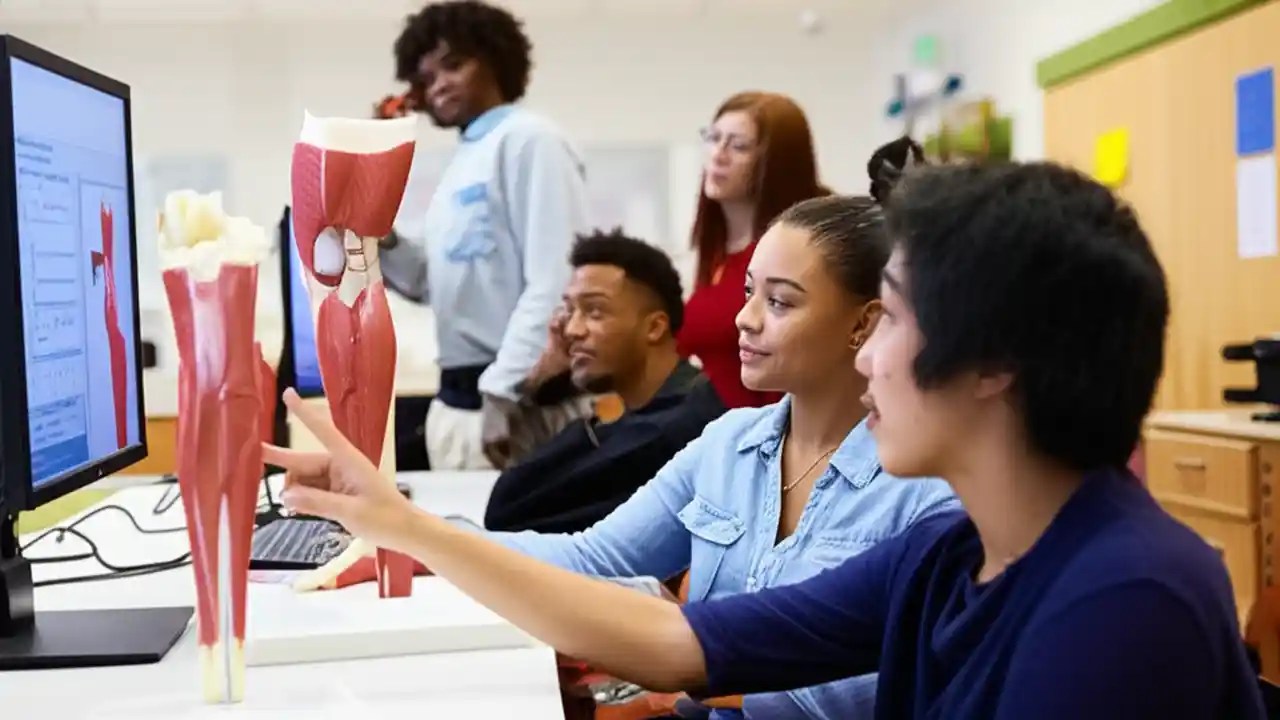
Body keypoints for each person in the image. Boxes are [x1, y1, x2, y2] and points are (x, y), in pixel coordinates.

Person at [269, 161, 1268, 718]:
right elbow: (676, 642)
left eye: (896, 318)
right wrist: (404, 526)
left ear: (992, 364)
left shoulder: (1122, 602)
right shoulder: (950, 551)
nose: (873, 354)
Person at [270, 191, 959, 719]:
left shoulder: (925, 488)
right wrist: (418, 539)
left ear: (865, 324)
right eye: (749, 293)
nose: (745, 319)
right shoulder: (730, 445)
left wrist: (675, 670)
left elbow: (874, 687)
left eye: (779, 302)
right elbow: (596, 559)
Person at [379, 0, 593, 470]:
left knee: (516, 545)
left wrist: (504, 391)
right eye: (427, 77)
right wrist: (380, 230)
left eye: (454, 66)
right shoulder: (461, 162)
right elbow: (429, 282)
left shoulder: (530, 140)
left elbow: (556, 279)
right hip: (456, 405)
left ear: (495, 61)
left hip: (519, 405)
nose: (439, 86)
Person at [483, 229, 726, 534]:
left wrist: (546, 388)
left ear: (654, 327)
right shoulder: (664, 407)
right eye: (569, 311)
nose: (571, 330)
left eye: (594, 311)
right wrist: (546, 383)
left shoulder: (670, 432)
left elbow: (509, 510)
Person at [678, 92, 829, 410]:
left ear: (776, 162)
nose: (718, 155)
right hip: (717, 431)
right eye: (714, 138)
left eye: (738, 146)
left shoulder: (795, 254)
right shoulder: (717, 250)